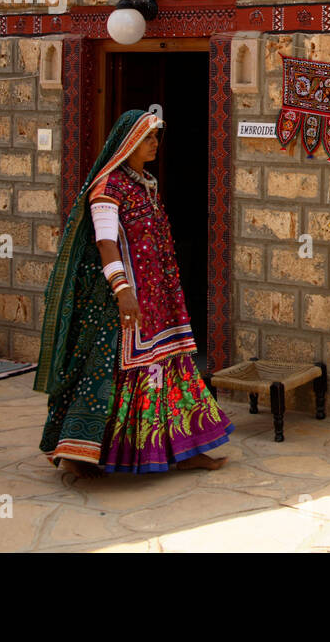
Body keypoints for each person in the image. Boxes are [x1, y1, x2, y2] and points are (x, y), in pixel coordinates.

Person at [36, 109, 232, 477]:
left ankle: (183, 449)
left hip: (158, 301)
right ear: (127, 143)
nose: (155, 144)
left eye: (156, 137)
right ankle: (83, 453)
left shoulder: (144, 184)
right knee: (110, 378)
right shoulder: (107, 189)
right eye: (147, 138)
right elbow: (106, 242)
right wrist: (123, 290)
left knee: (167, 370)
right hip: (123, 306)